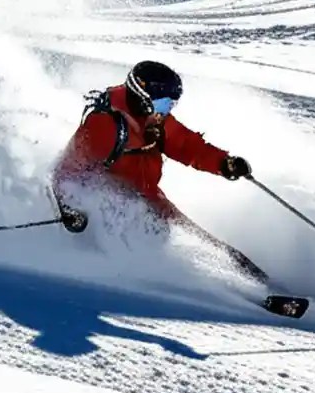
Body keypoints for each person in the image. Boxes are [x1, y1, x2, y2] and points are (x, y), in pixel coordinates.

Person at [52, 60, 268, 283]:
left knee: (198, 239)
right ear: (142, 96)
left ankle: (256, 282)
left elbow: (186, 145)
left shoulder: (154, 121)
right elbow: (67, 171)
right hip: (114, 205)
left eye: (171, 105)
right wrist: (70, 210)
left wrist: (224, 163)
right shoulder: (104, 125)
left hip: (149, 199)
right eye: (163, 104)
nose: (166, 112)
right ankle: (204, 285)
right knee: (179, 245)